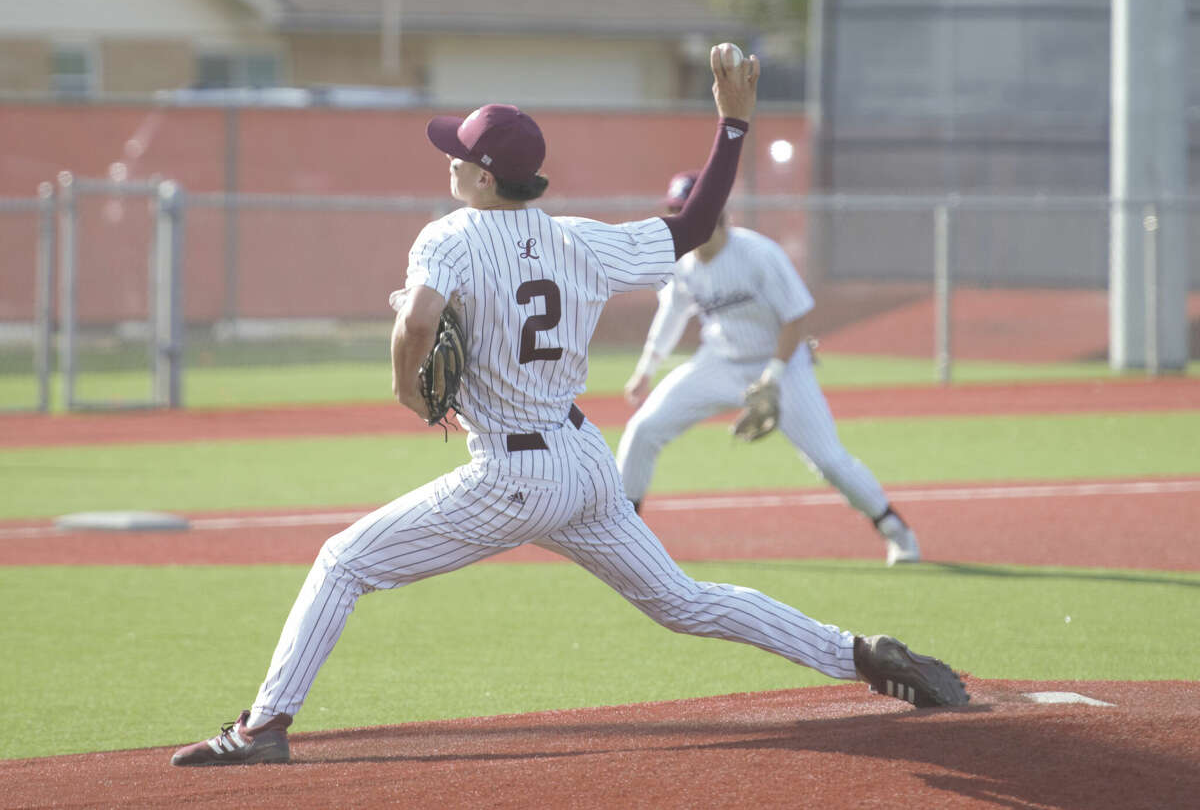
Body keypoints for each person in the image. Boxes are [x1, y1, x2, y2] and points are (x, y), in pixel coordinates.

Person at [171, 46, 966, 767]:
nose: (449, 161)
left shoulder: (446, 238)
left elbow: (417, 322)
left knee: (343, 562)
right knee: (685, 601)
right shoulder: (581, 239)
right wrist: (732, 125)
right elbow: (692, 224)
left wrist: (406, 385)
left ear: (484, 177)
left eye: (458, 155)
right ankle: (863, 654)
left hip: (512, 474)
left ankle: (263, 726)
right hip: (582, 461)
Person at [615, 176, 922, 566]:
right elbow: (672, 312)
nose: (679, 217)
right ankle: (623, 534)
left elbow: (796, 318)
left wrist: (772, 378)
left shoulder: (758, 253)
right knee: (644, 429)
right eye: (675, 210)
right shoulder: (682, 262)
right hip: (719, 363)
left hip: (782, 364)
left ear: (715, 210)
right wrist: (646, 369)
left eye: (687, 209)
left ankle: (894, 528)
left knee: (828, 460)